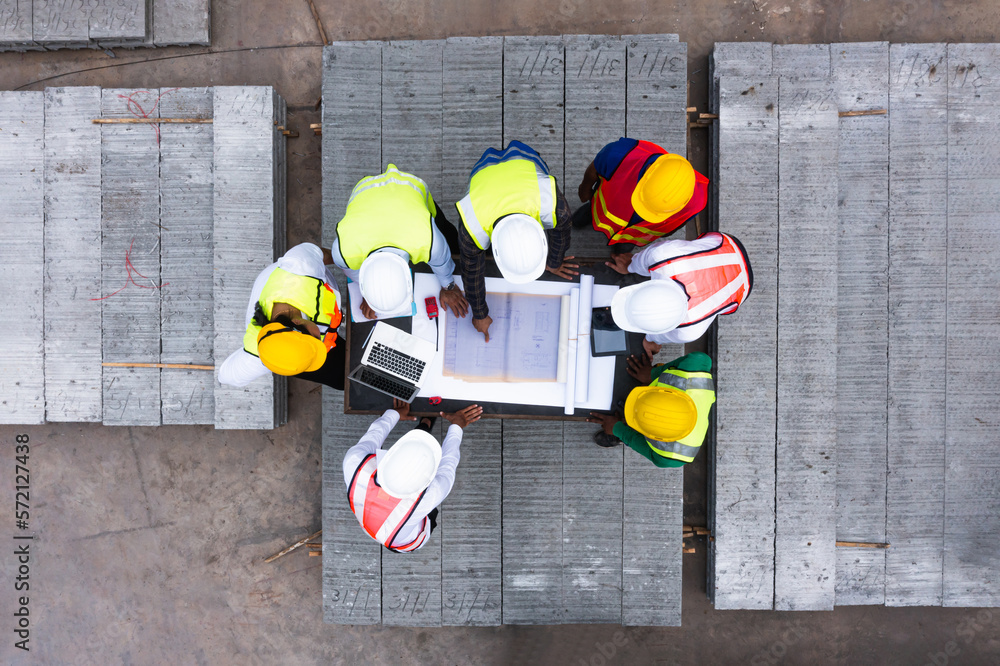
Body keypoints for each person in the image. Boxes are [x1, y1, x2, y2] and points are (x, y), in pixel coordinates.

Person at [456, 140, 579, 342]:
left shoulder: (554, 206)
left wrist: (553, 262)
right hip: (485, 172)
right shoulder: (472, 225)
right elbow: (471, 270)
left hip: (526, 160)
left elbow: (562, 232)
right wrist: (478, 312)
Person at [330, 164, 469, 320]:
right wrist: (371, 295)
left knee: (446, 234)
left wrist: (449, 286)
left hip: (408, 188)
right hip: (365, 192)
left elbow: (442, 261)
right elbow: (355, 274)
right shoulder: (342, 253)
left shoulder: (428, 240)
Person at [343, 398, 483, 553]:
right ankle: (425, 424)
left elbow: (376, 431)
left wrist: (394, 414)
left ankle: (425, 424)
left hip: (370, 522)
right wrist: (457, 426)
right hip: (401, 540)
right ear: (426, 482)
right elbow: (448, 463)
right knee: (428, 514)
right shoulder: (429, 496)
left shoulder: (356, 462)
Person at [218, 242, 346, 389]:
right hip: (296, 354)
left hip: (317, 286)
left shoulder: (301, 268)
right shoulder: (261, 353)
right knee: (343, 379)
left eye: (317, 339)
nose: (322, 343)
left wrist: (345, 263)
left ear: (298, 323)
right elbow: (225, 376)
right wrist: (272, 359)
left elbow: (315, 252)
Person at [607, 231, 752, 357]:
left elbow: (661, 334)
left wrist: (653, 338)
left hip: (740, 285)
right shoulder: (662, 257)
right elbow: (658, 336)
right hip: (727, 246)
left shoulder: (689, 330)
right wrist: (630, 265)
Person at [574, 137, 709, 252]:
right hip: (603, 207)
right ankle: (589, 214)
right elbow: (594, 169)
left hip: (633, 235)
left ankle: (621, 249)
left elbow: (676, 224)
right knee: (591, 212)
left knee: (623, 248)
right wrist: (585, 189)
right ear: (648, 171)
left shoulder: (696, 202)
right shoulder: (621, 155)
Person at [587, 352, 715, 468]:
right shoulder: (693, 371)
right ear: (667, 393)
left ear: (657, 437)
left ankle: (621, 436)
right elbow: (701, 357)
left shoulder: (670, 457)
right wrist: (653, 373)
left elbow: (636, 441)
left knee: (633, 439)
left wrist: (618, 430)